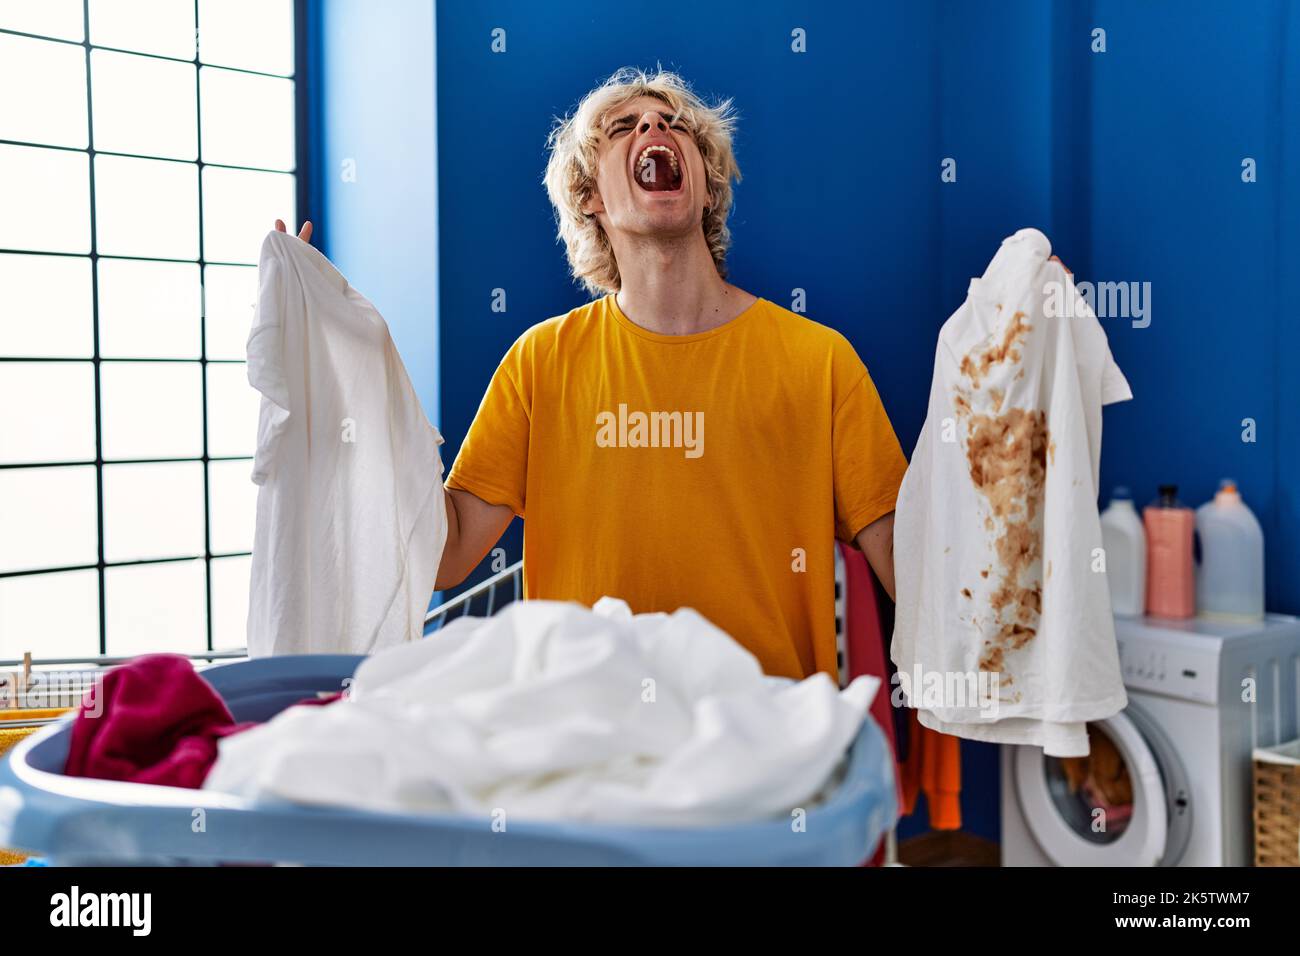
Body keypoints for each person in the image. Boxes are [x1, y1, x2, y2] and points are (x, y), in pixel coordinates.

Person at [275, 67, 909, 680]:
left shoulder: (820, 361)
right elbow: (449, 551)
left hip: (767, 750)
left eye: (673, 124)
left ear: (707, 185)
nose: (653, 130)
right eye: (624, 126)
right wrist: (336, 364)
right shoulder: (540, 362)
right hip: (589, 746)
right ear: (589, 196)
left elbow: (907, 564)